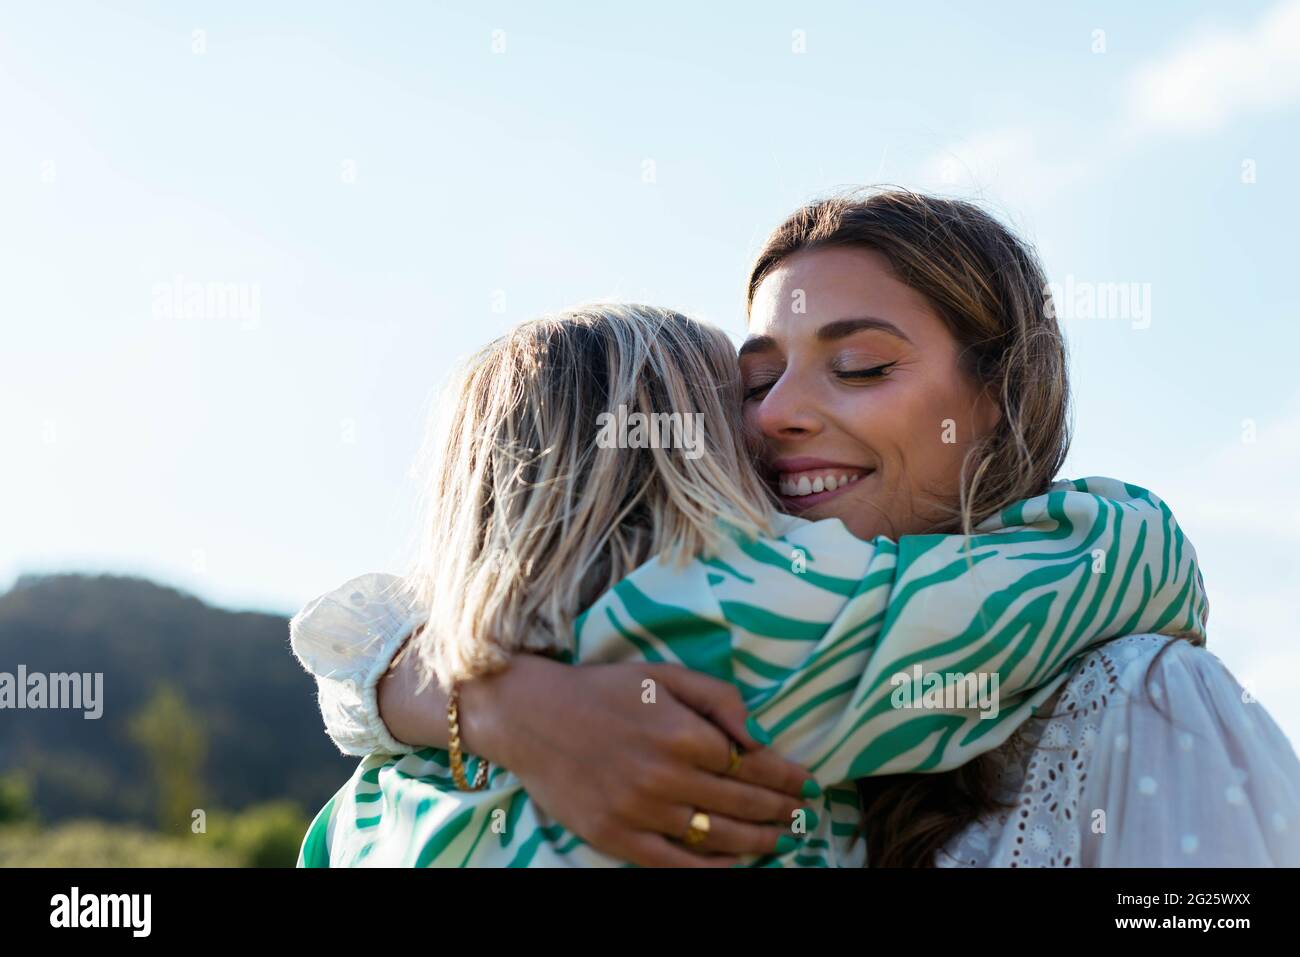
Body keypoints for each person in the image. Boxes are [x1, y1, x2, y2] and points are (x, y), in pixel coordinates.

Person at [293, 191, 1297, 867]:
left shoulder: (1146, 705)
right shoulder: (762, 613)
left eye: (859, 366)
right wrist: (505, 705)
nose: (773, 417)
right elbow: (1129, 556)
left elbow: (357, 639)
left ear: (1001, 398)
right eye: (754, 381)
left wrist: (475, 694)